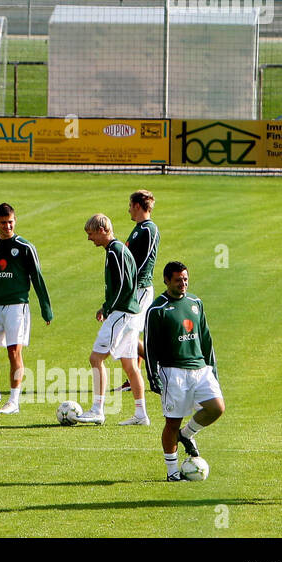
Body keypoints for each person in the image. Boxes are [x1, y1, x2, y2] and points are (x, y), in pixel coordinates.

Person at [145, 261, 224, 480]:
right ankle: (172, 472)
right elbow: (150, 346)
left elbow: (206, 339)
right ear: (166, 281)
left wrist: (213, 369)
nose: (183, 284)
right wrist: (152, 376)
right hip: (174, 372)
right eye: (178, 280)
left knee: (217, 408)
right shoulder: (157, 310)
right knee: (172, 422)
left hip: (200, 369)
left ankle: (186, 434)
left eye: (186, 279)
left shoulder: (195, 303)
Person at [0, 203, 53, 414]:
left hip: (17, 307)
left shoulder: (25, 247)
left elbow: (37, 278)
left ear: (15, 220)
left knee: (14, 352)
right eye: (3, 223)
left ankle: (14, 401)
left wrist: (46, 308)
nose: (7, 226)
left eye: (10, 222)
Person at [77, 213, 145, 424]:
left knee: (96, 359)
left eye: (91, 234)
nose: (89, 238)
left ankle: (97, 410)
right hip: (129, 314)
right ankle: (141, 414)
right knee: (130, 365)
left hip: (121, 314)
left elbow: (123, 285)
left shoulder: (116, 251)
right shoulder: (115, 250)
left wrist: (107, 308)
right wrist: (105, 306)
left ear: (102, 230)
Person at [118, 189, 159, 392]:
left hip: (140, 289)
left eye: (130, 206)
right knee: (129, 333)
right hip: (133, 288)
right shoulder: (138, 228)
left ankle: (157, 367)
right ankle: (134, 378)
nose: (128, 210)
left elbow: (143, 261)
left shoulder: (149, 229)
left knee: (128, 334)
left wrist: (130, 284)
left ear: (137, 205)